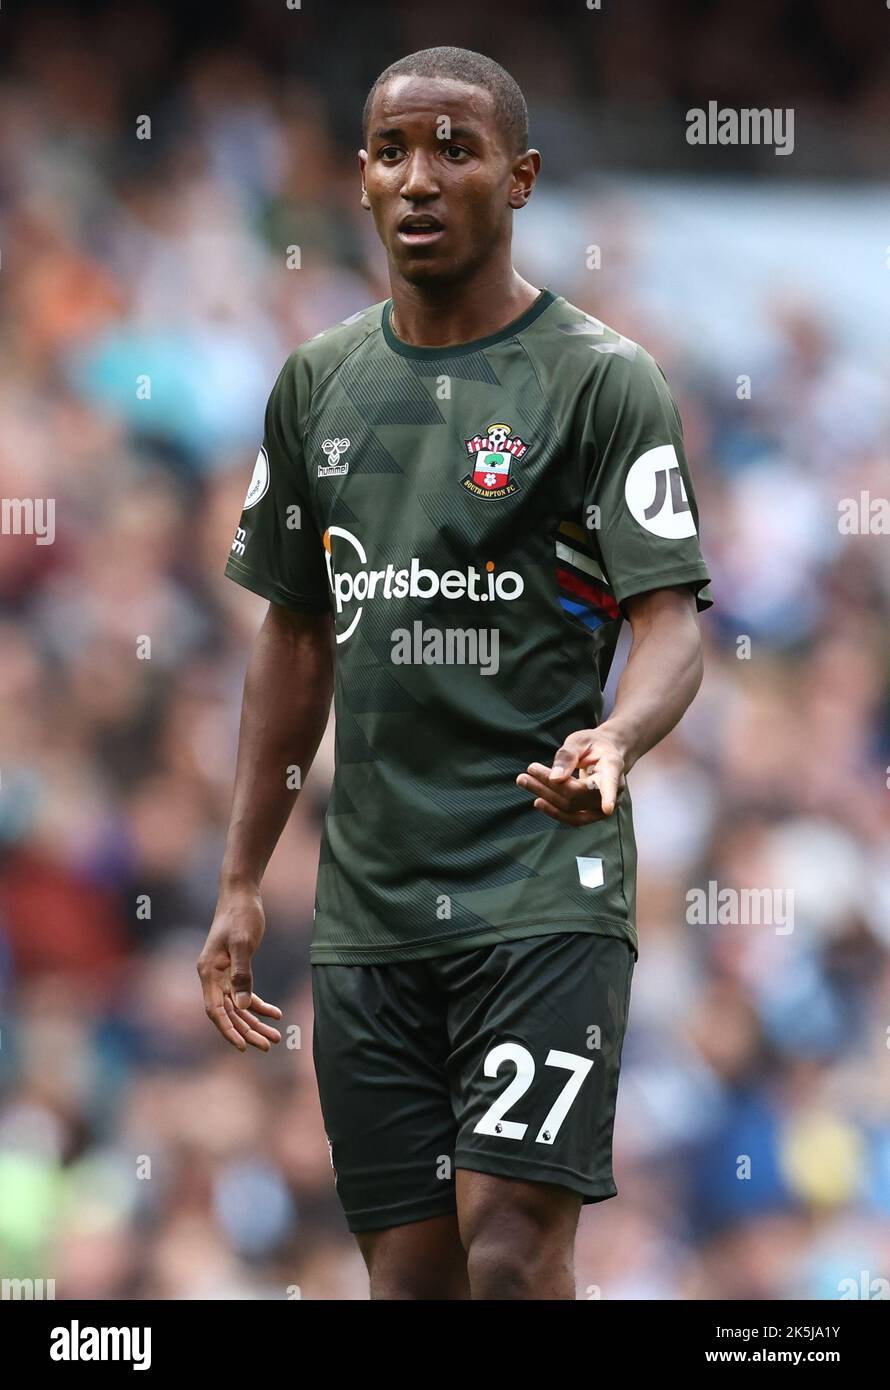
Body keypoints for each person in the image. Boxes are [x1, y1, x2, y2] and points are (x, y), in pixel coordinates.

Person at [197, 45, 712, 1300]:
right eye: (389, 152)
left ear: (520, 178)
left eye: (453, 150)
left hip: (540, 878)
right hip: (371, 903)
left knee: (511, 1253)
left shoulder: (601, 380)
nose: (417, 178)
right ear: (359, 182)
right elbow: (294, 640)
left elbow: (672, 623)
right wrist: (240, 880)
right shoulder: (318, 383)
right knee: (413, 1278)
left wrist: (618, 739)